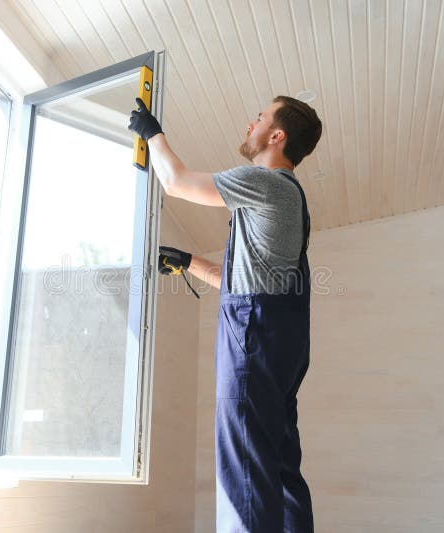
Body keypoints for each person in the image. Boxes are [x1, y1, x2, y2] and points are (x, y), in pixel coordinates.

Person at [129, 94, 322, 533]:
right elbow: (243, 284)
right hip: (278, 347)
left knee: (246, 474)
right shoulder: (289, 200)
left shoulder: (265, 183)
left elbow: (175, 181)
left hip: (254, 346)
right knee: (276, 467)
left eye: (259, 118)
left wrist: (151, 133)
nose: (248, 124)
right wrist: (187, 262)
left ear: (277, 136)